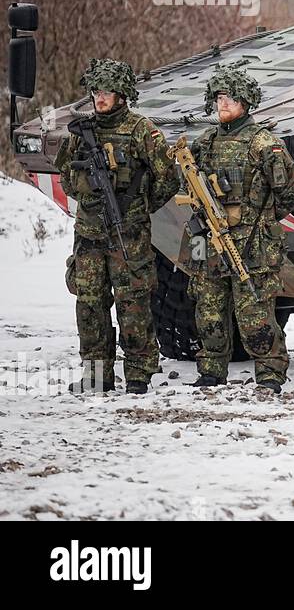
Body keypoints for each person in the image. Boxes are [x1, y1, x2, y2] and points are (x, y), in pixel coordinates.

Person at [56, 58, 177, 394]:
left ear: (122, 94)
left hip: (129, 233)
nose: (100, 98)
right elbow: (66, 177)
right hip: (90, 233)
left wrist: (137, 206)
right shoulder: (82, 134)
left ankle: (138, 374)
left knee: (133, 302)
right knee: (89, 304)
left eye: (107, 91)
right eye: (96, 91)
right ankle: (97, 375)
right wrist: (87, 186)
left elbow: (169, 178)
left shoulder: (142, 131)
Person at [181, 66, 294, 394]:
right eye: (219, 98)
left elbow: (289, 193)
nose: (223, 105)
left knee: (255, 312)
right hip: (209, 237)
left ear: (245, 103)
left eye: (230, 99)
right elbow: (187, 185)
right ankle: (211, 370)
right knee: (209, 308)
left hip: (252, 242)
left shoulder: (264, 143)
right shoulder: (205, 142)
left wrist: (257, 219)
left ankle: (270, 373)